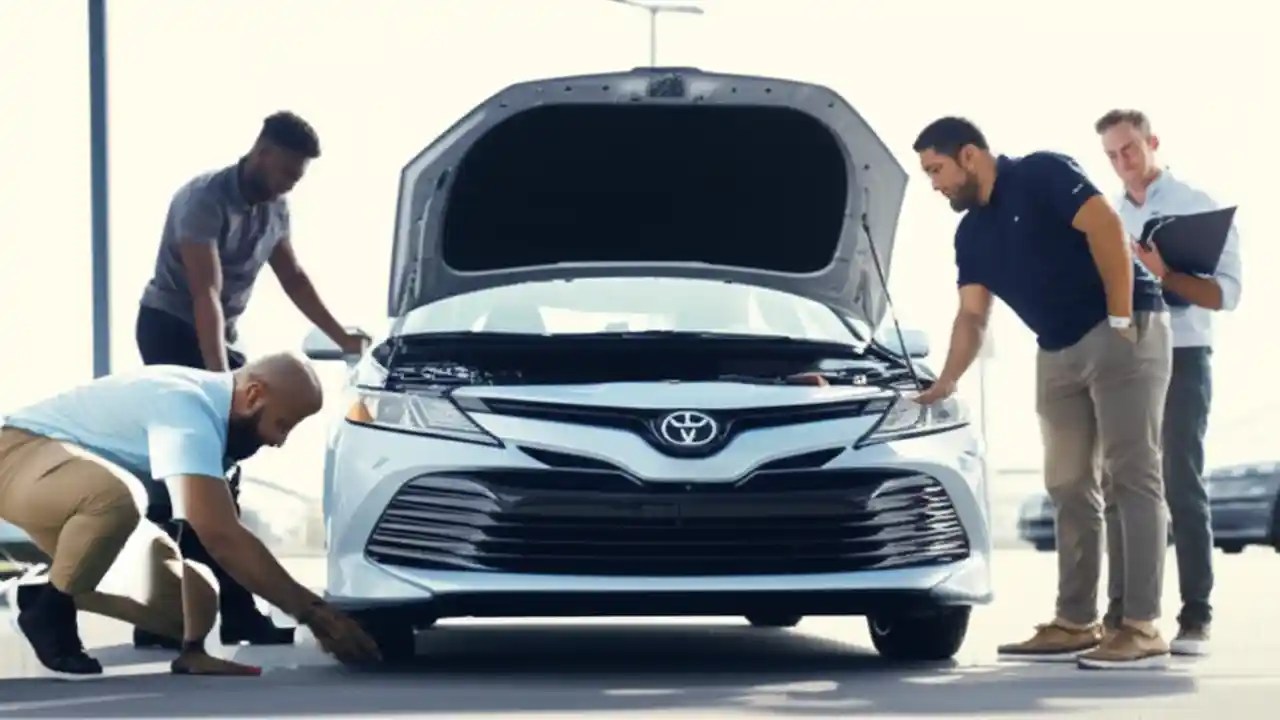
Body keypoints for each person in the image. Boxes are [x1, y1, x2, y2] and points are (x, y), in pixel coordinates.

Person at [911, 117, 1174, 670]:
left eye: (936, 170)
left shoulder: (1040, 172)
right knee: (1067, 483)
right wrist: (948, 379)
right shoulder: (971, 234)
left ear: (969, 156)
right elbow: (972, 315)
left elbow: (1105, 226)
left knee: (1130, 474)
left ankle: (1141, 625)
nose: (934, 184)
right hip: (1056, 350)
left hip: (1122, 328)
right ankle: (1077, 621)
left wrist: (1122, 316)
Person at [133, 110, 368, 650]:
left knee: (200, 477)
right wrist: (221, 383)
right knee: (205, 471)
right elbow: (205, 296)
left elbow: (294, 277)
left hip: (219, 334)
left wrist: (342, 337)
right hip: (172, 327)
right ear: (261, 153)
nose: (290, 184)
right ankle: (226, 612)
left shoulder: (275, 209)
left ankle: (166, 614)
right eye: (287, 171)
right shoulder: (203, 200)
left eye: (297, 177)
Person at [0, 354, 381, 678]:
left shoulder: (216, 432)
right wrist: (314, 613)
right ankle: (51, 611)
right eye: (282, 424)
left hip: (77, 496)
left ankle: (35, 591)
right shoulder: (187, 407)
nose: (279, 441)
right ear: (253, 394)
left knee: (182, 613)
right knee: (115, 498)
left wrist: (194, 647)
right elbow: (220, 534)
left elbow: (207, 535)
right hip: (17, 453)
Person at [1095, 109, 1243, 657]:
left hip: (1183, 354)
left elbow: (1226, 295)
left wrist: (1164, 275)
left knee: (1181, 481)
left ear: (1153, 142)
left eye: (1129, 149)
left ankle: (1197, 616)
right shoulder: (1107, 216)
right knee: (1124, 486)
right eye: (1111, 155)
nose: (1122, 163)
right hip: (1125, 358)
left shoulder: (1197, 207)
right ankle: (1126, 619)